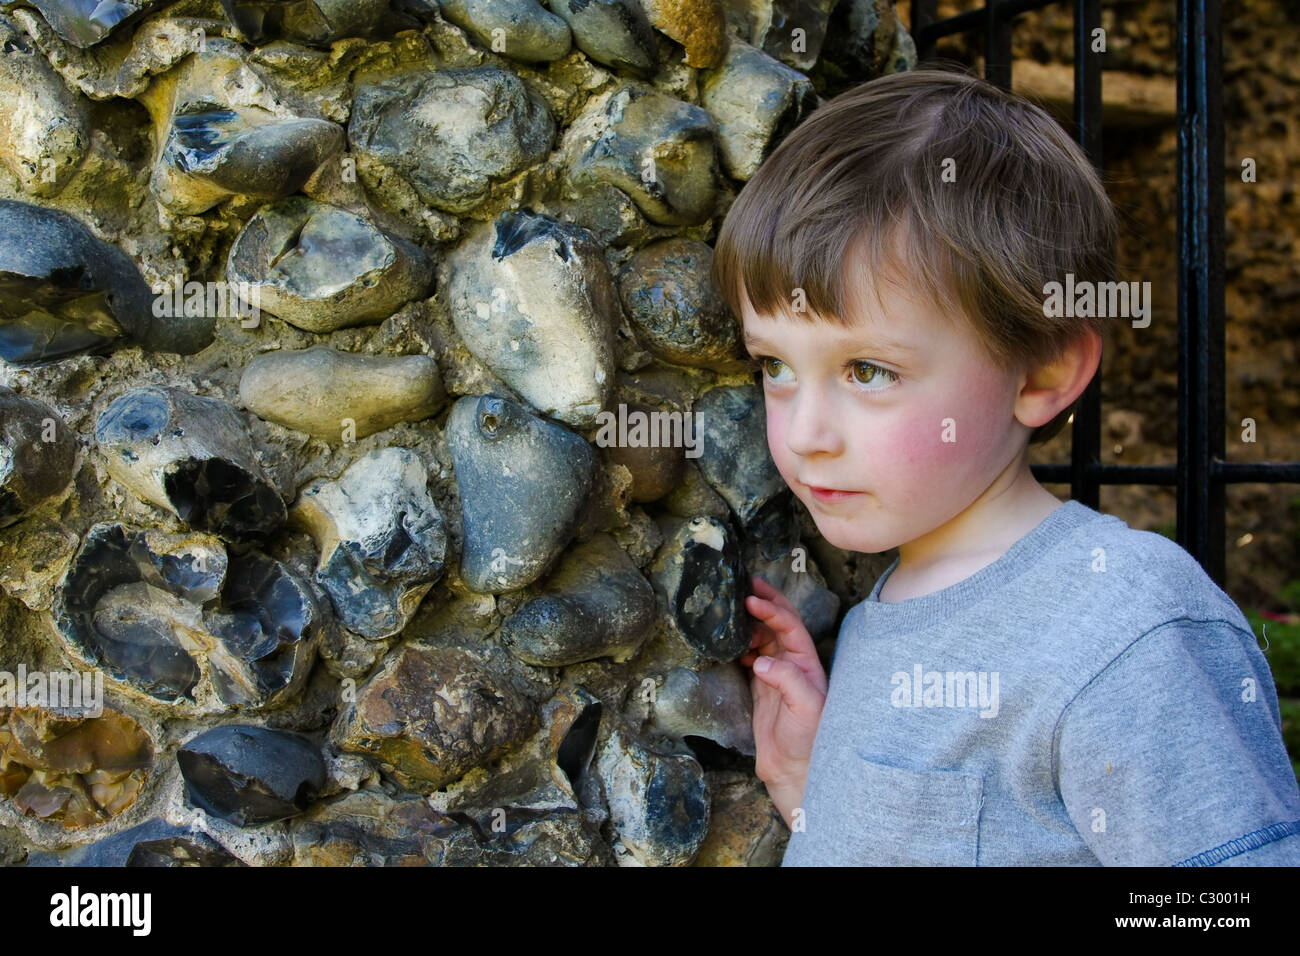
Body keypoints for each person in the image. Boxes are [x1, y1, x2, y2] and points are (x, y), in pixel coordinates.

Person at [710, 66, 1300, 865]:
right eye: (776, 366)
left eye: (868, 371)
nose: (805, 432)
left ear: (1043, 375)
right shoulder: (888, 599)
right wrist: (821, 785)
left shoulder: (1127, 625)